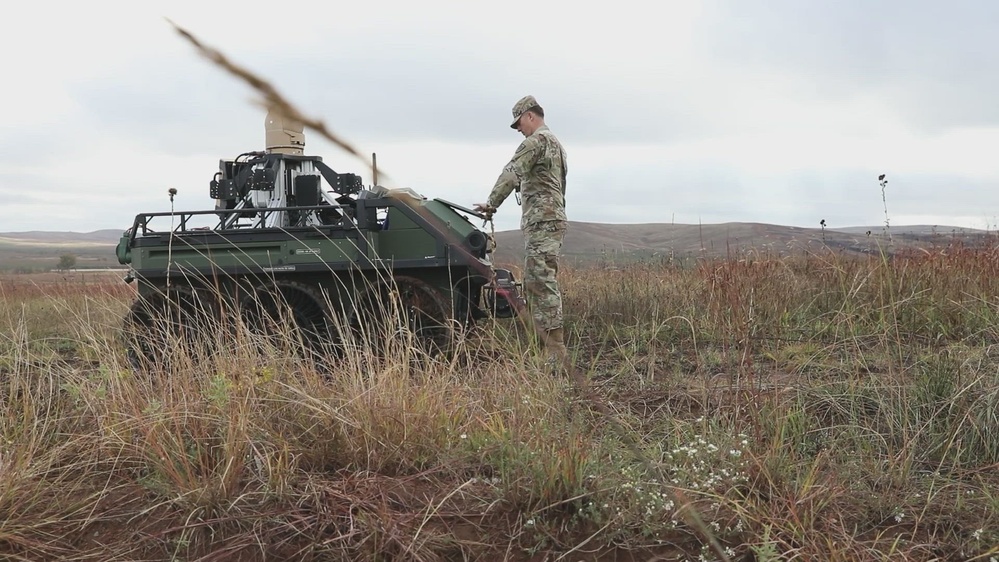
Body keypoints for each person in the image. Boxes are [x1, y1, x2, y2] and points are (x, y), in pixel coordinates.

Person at [474, 95, 569, 361]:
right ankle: (545, 345)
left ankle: (555, 350)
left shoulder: (536, 142)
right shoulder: (556, 144)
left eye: (519, 124)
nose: (519, 130)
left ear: (530, 115)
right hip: (549, 219)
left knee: (541, 282)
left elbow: (511, 172)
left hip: (542, 221)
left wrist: (491, 204)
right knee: (537, 280)